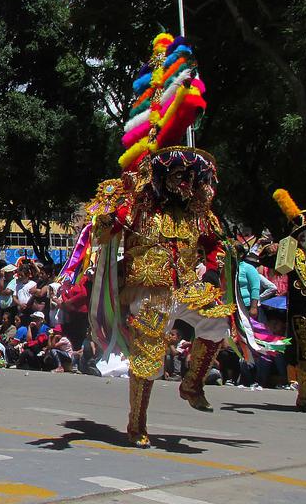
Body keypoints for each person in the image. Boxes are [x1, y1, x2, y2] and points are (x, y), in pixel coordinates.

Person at [85, 33, 250, 448]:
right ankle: (137, 421)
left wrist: (223, 258)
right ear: (161, 178)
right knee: (148, 357)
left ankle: (192, 384)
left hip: (184, 286)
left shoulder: (197, 212)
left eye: (190, 178)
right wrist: (107, 216)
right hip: (146, 287)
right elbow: (105, 228)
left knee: (218, 321)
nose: (185, 182)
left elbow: (215, 246)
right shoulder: (140, 205)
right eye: (177, 176)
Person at [270, 189, 306, 410]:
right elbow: (272, 262)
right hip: (304, 314)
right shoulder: (292, 254)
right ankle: (305, 398)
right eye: (304, 234)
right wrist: (274, 247)